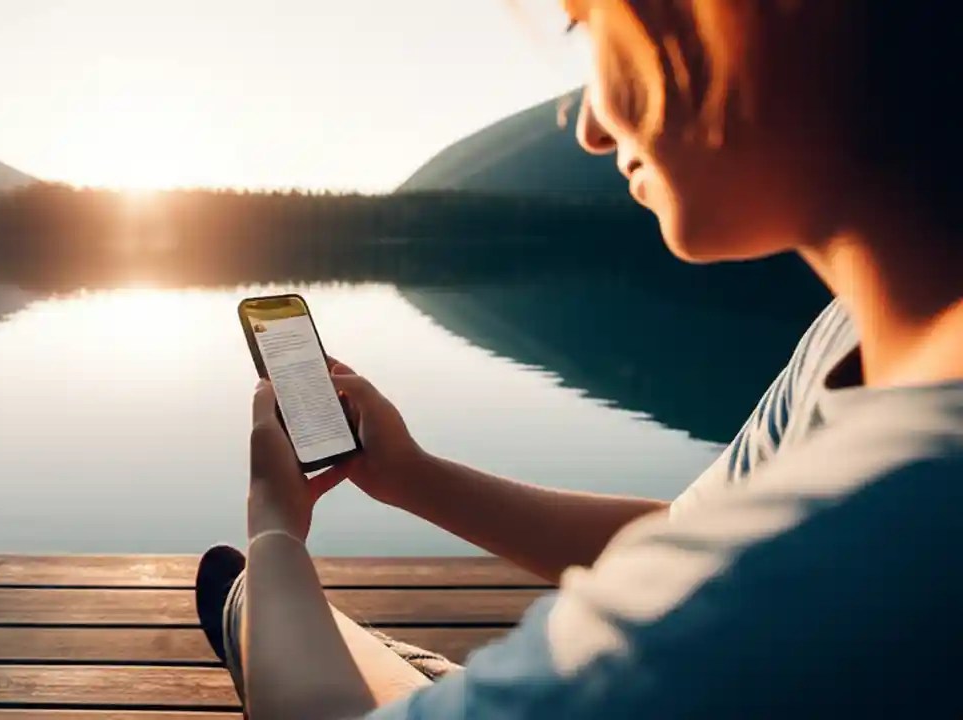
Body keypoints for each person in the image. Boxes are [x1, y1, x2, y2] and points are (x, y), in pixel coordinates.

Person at [196, 1, 963, 717]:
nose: (592, 127)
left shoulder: (827, 561)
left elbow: (724, 585)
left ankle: (253, 609)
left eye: (589, 27)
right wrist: (412, 476)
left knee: (268, 615)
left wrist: (275, 532)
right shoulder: (851, 333)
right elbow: (689, 534)